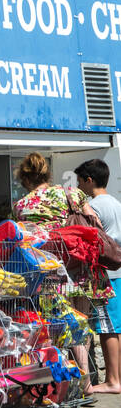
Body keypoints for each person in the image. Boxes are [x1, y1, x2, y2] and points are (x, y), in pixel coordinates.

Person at [13, 152, 113, 394]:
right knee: (83, 321)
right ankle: (86, 381)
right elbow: (94, 223)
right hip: (80, 268)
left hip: (50, 273)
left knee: (63, 325)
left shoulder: (22, 205)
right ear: (47, 173)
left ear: (26, 180)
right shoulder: (70, 193)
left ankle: (71, 381)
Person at [74, 159, 121, 393]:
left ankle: (113, 381)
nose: (79, 187)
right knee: (114, 326)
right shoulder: (115, 202)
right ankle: (115, 378)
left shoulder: (95, 207)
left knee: (108, 327)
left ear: (89, 180)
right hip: (117, 272)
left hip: (105, 276)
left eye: (80, 181)